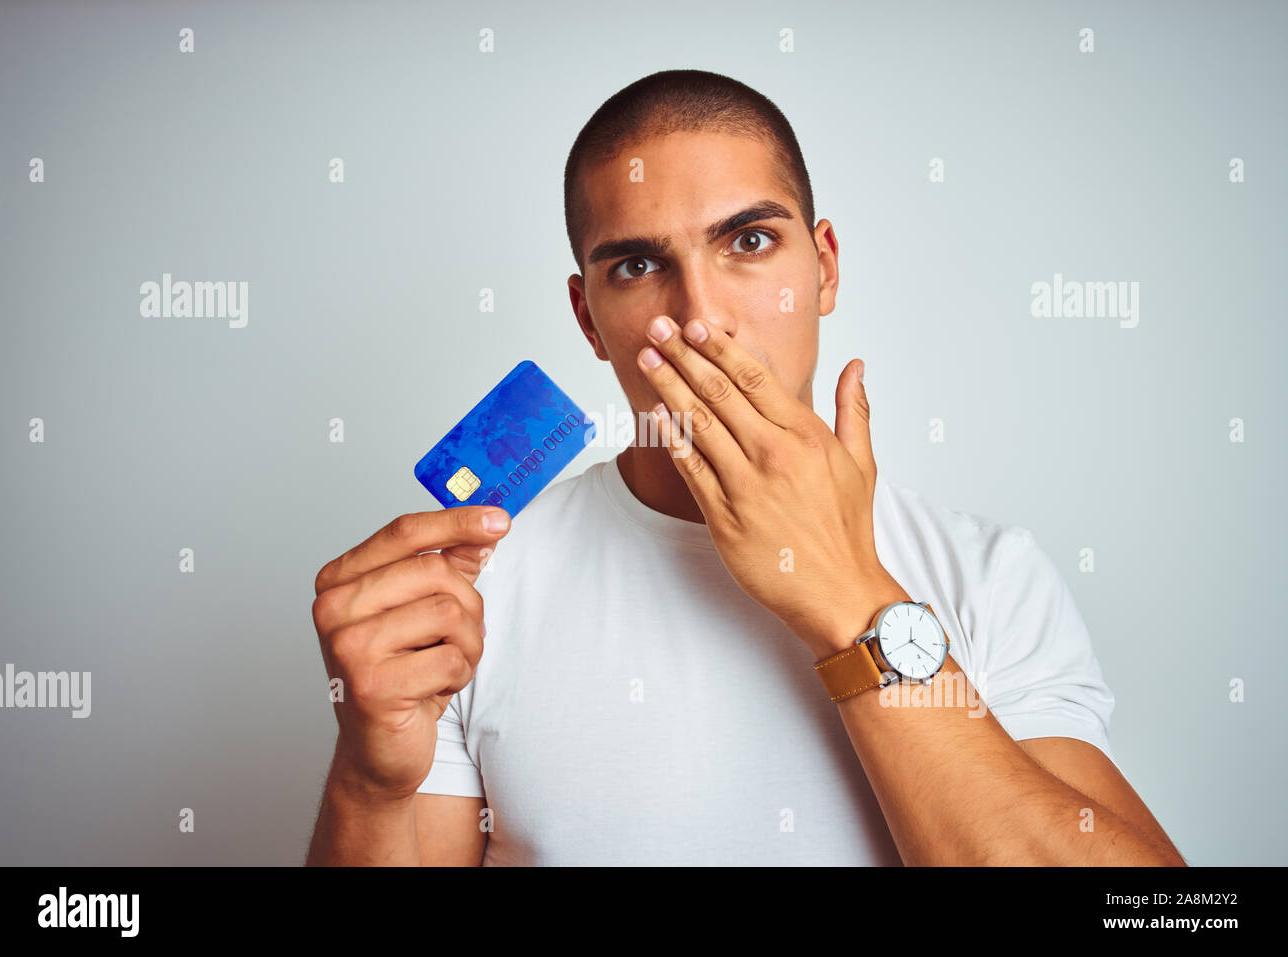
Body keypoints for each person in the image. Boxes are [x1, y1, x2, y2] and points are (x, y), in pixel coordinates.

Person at [306, 69, 1185, 866]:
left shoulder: (992, 577)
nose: (700, 316)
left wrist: (850, 599)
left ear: (825, 265)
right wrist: (367, 784)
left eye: (749, 242)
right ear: (588, 315)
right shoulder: (477, 594)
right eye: (640, 265)